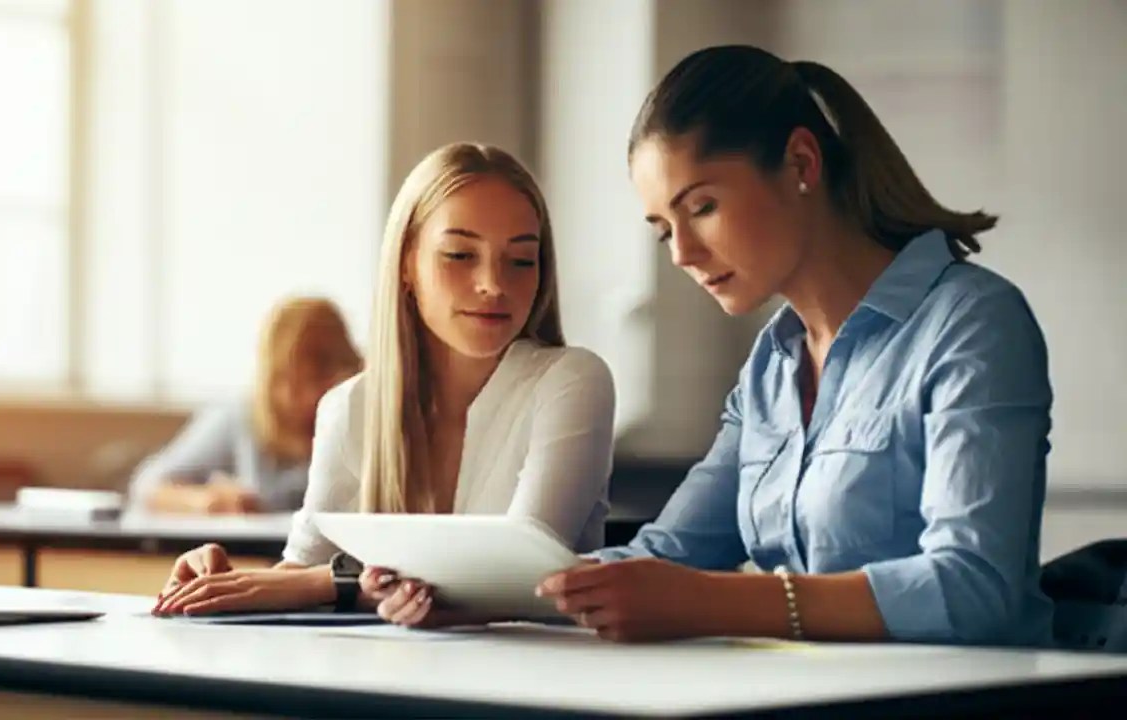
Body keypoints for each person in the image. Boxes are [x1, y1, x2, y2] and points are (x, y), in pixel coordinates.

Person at [532, 45, 1054, 646]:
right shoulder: (769, 368)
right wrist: (473, 595)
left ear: (802, 163)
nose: (681, 253)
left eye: (701, 207)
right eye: (662, 232)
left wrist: (710, 602)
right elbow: (668, 554)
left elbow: (972, 586)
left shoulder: (972, 322)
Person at [153, 142, 615, 617]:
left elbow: (522, 574)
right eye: (459, 255)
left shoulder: (572, 381)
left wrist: (340, 582)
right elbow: (304, 570)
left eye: (521, 260)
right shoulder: (348, 407)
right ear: (406, 265)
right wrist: (223, 581)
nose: (494, 285)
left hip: (540, 679)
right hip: (394, 673)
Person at [129, 297, 361, 514]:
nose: (308, 397)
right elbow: (148, 486)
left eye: (318, 378)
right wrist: (207, 501)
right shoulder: (241, 418)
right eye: (288, 382)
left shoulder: (362, 420)